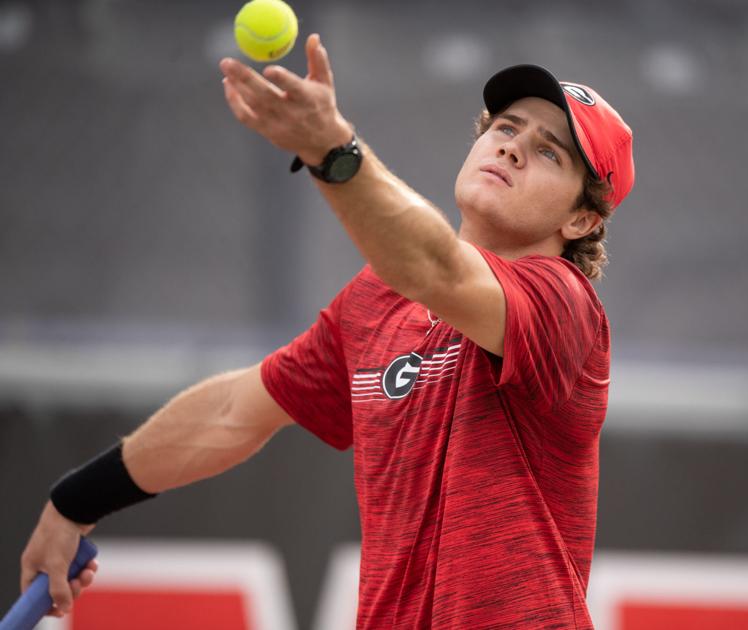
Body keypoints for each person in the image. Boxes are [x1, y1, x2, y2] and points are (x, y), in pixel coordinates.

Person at [19, 33, 635, 628]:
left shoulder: (563, 306)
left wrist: (332, 149)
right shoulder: (378, 299)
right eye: (505, 127)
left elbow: (436, 268)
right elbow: (234, 411)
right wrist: (75, 501)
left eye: (549, 151)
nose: (511, 148)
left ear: (582, 218)